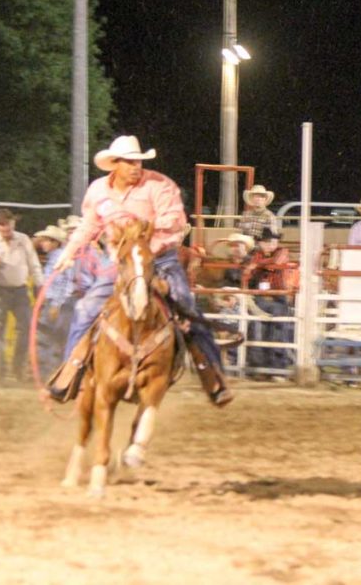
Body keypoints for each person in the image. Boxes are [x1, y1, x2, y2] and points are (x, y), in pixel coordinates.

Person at [47, 135, 234, 406]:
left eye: (138, 161)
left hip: (160, 259)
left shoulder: (159, 185)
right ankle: (70, 371)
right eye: (130, 162)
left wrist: (143, 228)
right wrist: (68, 253)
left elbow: (176, 221)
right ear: (115, 164)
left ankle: (214, 376)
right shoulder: (98, 191)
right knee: (85, 309)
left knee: (188, 308)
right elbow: (90, 225)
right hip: (121, 263)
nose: (136, 166)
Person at [0, 208, 43, 381]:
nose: (5, 228)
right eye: (1, 225)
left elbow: (33, 263)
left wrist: (39, 284)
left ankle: (16, 366)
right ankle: (0, 371)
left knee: (27, 327)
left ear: (13, 223)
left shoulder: (23, 240)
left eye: (7, 224)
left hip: (20, 289)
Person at [245, 228, 296, 373]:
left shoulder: (281, 251)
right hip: (263, 297)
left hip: (278, 297)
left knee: (277, 330)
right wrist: (258, 265)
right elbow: (255, 268)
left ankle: (277, 367)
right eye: (266, 242)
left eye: (272, 241)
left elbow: (277, 261)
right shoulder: (257, 254)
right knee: (258, 330)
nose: (269, 245)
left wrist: (257, 265)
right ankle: (259, 367)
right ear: (260, 243)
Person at [34, 225, 75, 376]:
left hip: (58, 304)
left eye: (46, 241)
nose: (43, 243)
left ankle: (52, 372)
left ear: (55, 242)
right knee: (51, 338)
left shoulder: (60, 257)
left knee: (53, 338)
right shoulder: (55, 257)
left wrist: (56, 304)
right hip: (53, 302)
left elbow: (67, 281)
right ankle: (50, 371)